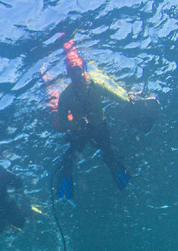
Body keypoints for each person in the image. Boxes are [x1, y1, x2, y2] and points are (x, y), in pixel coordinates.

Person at [50, 36, 159, 200]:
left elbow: (114, 95)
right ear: (69, 74)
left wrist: (129, 100)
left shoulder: (96, 84)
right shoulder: (66, 95)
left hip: (99, 127)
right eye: (73, 72)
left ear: (84, 69)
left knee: (108, 154)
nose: (78, 75)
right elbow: (62, 121)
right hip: (82, 131)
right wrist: (76, 124)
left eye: (79, 70)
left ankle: (117, 171)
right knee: (68, 158)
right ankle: (65, 182)